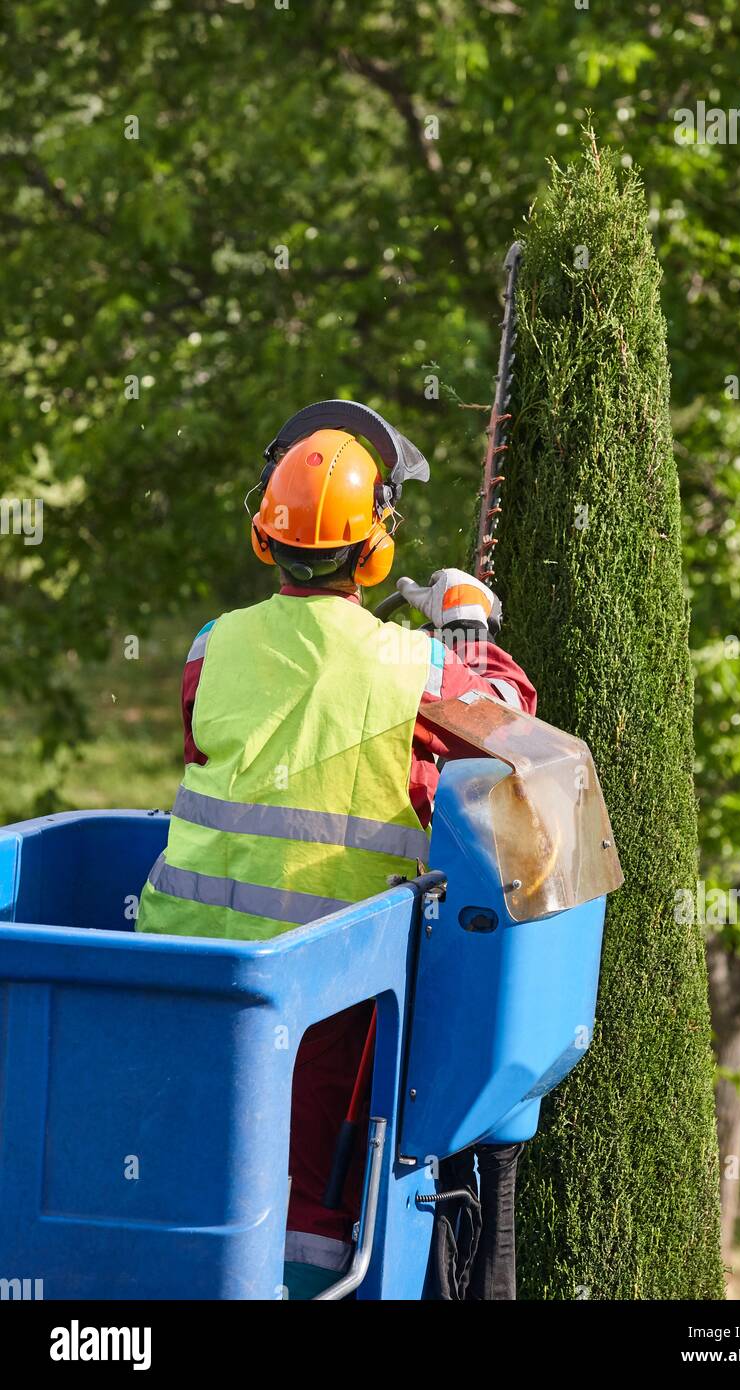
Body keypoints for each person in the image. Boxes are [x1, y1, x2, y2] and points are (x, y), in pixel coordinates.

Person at [136, 400, 536, 1298]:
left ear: (263, 539)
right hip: (331, 995)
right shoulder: (417, 669)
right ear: (377, 554)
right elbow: (516, 733)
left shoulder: (210, 648)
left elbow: (219, 742)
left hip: (175, 980)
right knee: (309, 1216)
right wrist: (467, 629)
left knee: (187, 1185)